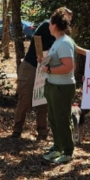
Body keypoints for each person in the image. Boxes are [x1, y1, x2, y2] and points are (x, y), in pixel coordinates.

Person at [12, 8, 71, 139]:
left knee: (43, 99)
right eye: (67, 18)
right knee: (26, 97)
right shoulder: (46, 25)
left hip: (47, 68)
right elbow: (36, 39)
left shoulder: (65, 35)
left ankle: (42, 131)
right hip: (31, 65)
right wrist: (41, 55)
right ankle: (17, 129)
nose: (68, 21)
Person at [39, 9, 78, 165]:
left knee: (62, 119)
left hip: (62, 87)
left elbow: (68, 66)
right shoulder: (58, 41)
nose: (48, 25)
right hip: (53, 84)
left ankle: (68, 151)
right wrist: (45, 62)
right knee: (54, 118)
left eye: (50, 23)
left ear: (54, 25)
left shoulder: (64, 42)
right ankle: (57, 147)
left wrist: (48, 69)